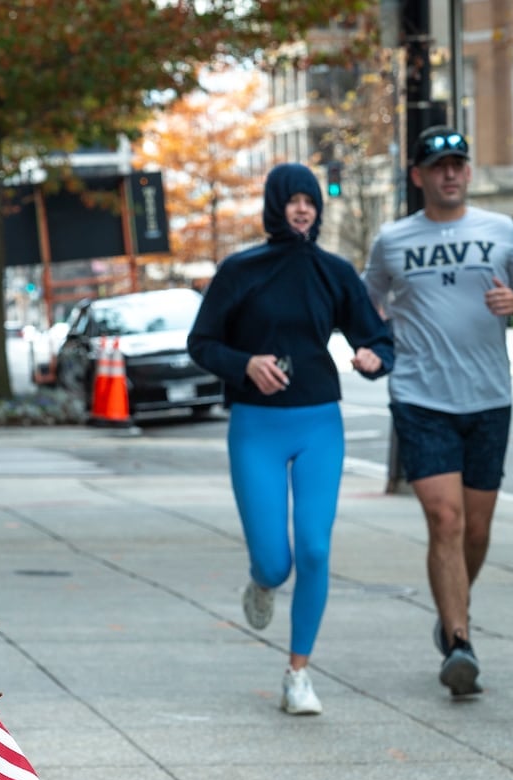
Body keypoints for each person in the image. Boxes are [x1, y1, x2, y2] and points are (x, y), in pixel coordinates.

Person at [188, 163, 394, 716]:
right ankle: (260, 583)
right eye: (292, 200)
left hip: (318, 422)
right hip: (256, 427)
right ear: (275, 206)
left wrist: (375, 357)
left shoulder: (334, 271)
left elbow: (377, 337)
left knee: (316, 549)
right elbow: (202, 344)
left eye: (309, 200)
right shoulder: (240, 270)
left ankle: (297, 674)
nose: (302, 208)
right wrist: (245, 364)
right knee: (276, 564)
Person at [361, 126, 513, 697]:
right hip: (421, 397)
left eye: (459, 164)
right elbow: (368, 298)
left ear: (469, 172)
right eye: (438, 166)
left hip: (489, 397)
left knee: (477, 530)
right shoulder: (393, 240)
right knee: (445, 520)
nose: (450, 174)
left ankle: (450, 612)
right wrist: (375, 343)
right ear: (418, 175)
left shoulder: (500, 230)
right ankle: (460, 640)